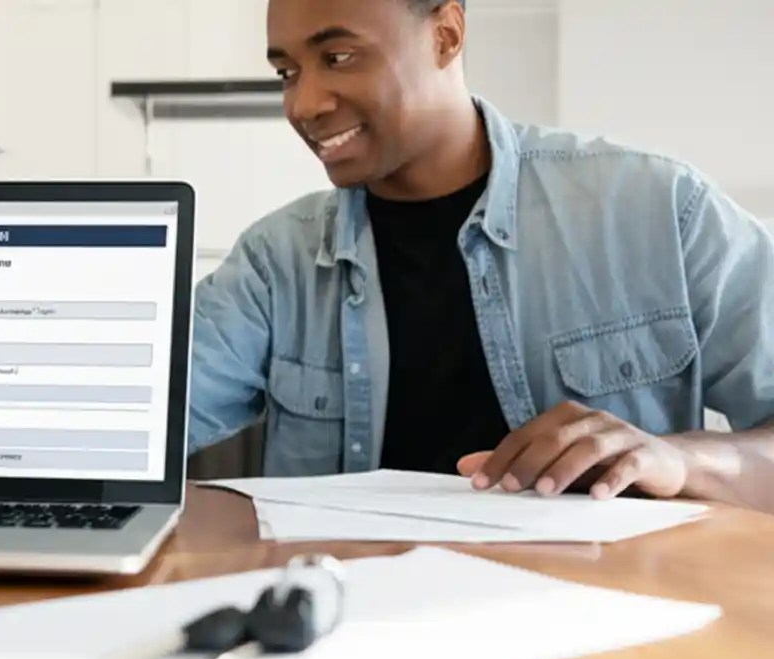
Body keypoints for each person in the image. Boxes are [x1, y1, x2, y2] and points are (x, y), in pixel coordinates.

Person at [187, 0, 774, 513]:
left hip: (600, 621)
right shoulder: (273, 265)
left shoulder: (661, 209)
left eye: (338, 57)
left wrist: (677, 461)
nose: (303, 104)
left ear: (446, 34)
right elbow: (129, 428)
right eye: (287, 72)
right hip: (351, 622)